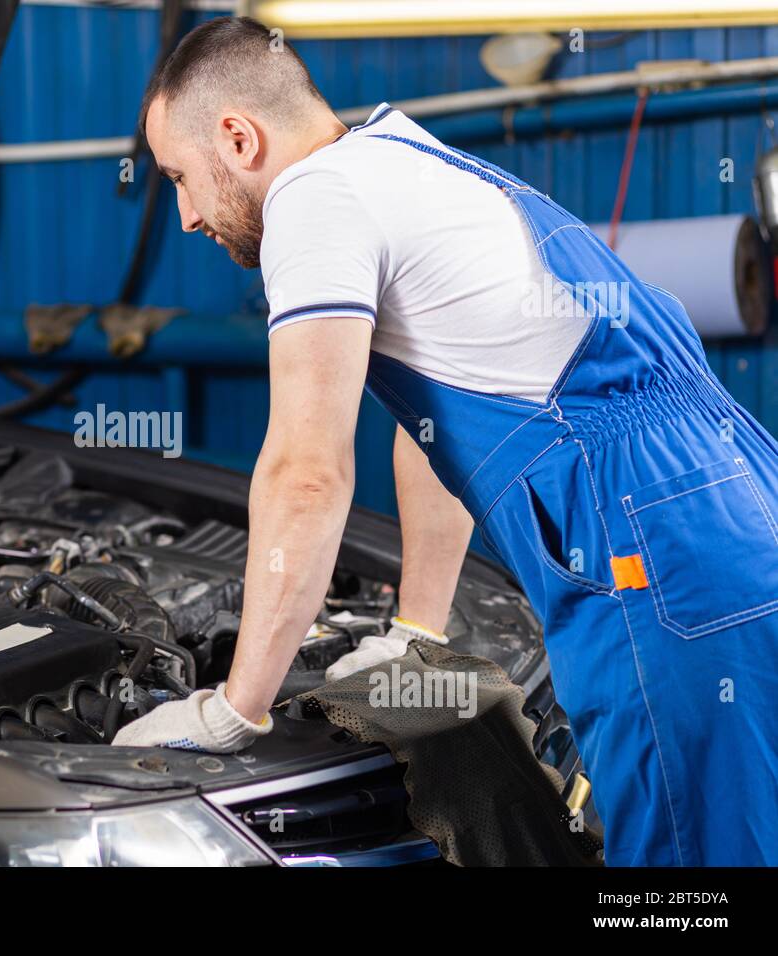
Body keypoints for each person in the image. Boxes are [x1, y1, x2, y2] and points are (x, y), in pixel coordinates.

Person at [111, 15, 778, 867]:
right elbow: (429, 426)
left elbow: (305, 471)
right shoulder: (400, 157)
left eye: (179, 177)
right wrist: (414, 632)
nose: (188, 215)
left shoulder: (313, 199)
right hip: (728, 494)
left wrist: (238, 706)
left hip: (650, 537)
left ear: (237, 138)